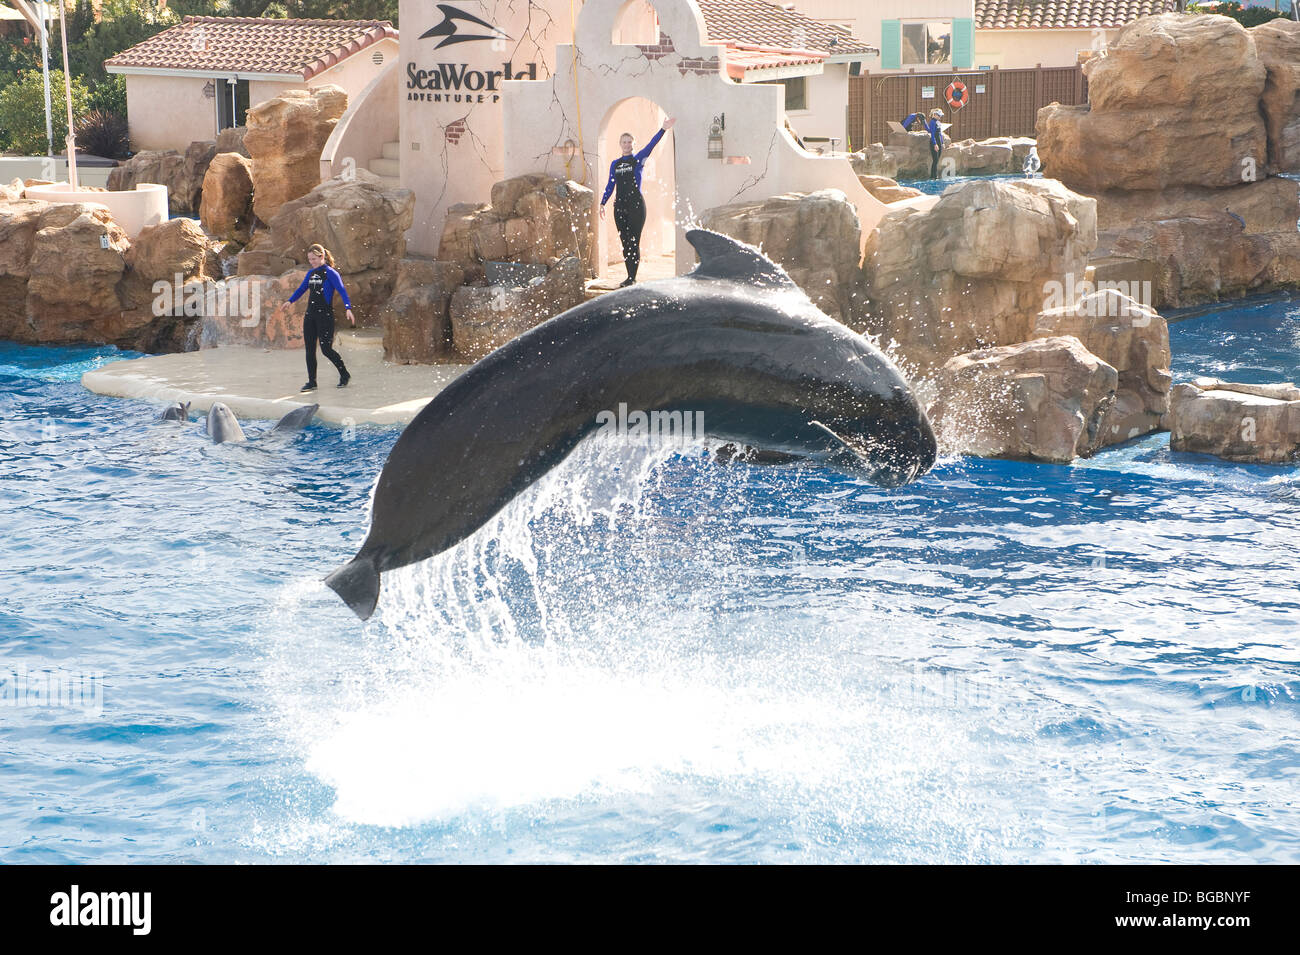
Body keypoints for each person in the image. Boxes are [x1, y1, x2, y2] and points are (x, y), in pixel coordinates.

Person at [599, 116, 676, 287]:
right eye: (624, 142)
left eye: (629, 142)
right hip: (619, 207)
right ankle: (628, 276)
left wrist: (663, 128)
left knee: (634, 240)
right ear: (620, 144)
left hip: (636, 206)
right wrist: (602, 203)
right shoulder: (615, 164)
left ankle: (632, 278)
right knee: (625, 242)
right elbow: (611, 184)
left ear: (633, 144)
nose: (626, 144)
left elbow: (652, 144)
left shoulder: (638, 159)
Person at [288, 244, 354, 391]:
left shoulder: (331, 273)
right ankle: (312, 382)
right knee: (309, 350)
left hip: (325, 316)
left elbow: (342, 291)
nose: (311, 262)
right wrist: (289, 301)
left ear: (321, 257)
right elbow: (302, 289)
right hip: (310, 315)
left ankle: (344, 374)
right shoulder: (311, 274)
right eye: (309, 259)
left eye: (314, 259)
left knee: (326, 349)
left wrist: (348, 308)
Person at [902, 107, 946, 179]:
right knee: (935, 160)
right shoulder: (932, 122)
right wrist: (935, 144)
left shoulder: (937, 122)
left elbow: (939, 133)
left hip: (939, 141)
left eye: (940, 115)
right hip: (934, 142)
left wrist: (942, 142)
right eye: (938, 115)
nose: (940, 117)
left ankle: (935, 175)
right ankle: (933, 176)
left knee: (937, 159)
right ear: (934, 115)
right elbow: (932, 134)